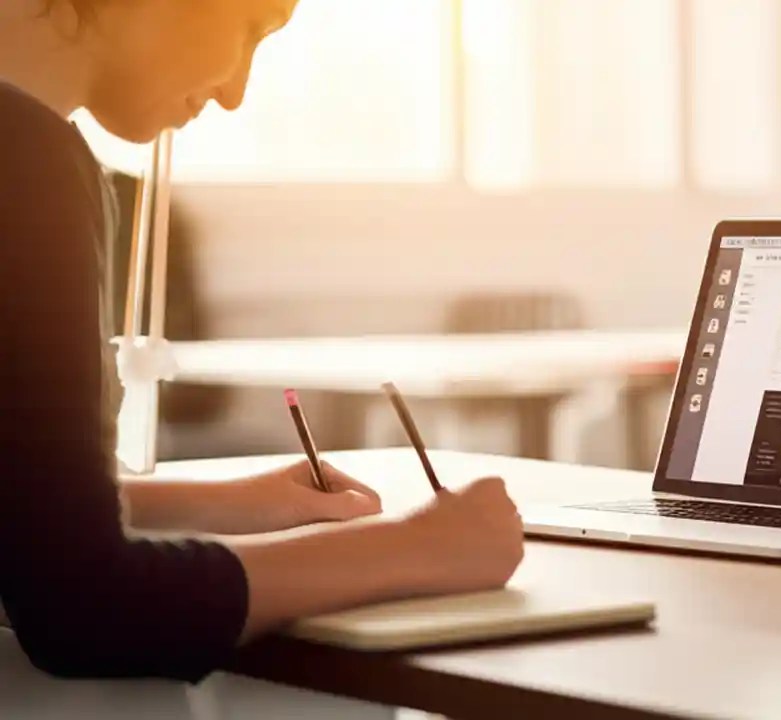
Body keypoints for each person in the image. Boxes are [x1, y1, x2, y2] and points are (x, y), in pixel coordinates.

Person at [0, 0, 525, 683]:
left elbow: (25, 519)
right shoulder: (27, 163)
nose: (234, 92)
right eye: (249, 28)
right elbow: (85, 605)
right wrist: (418, 547)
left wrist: (231, 501)